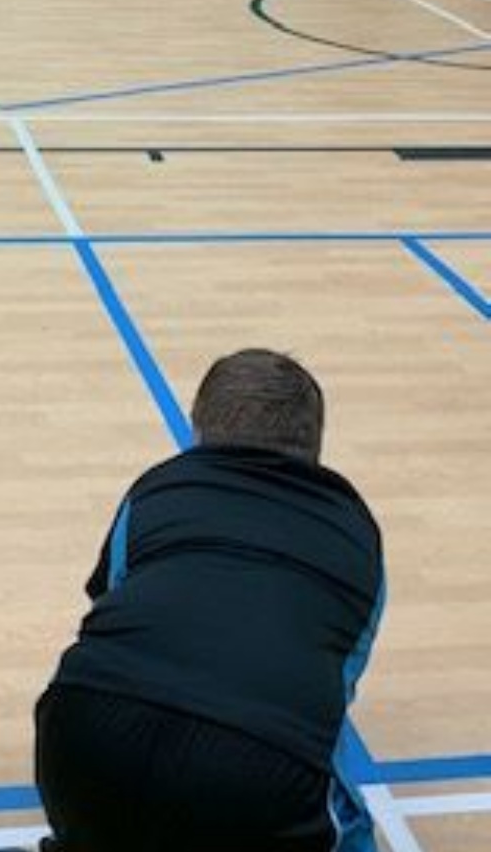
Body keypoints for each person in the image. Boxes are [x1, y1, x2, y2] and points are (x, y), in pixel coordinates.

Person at [35, 350, 385, 852]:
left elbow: (108, 601)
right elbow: (332, 692)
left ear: (197, 431)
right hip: (258, 767)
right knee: (343, 817)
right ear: (316, 445)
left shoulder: (153, 492)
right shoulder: (355, 533)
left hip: (83, 723)